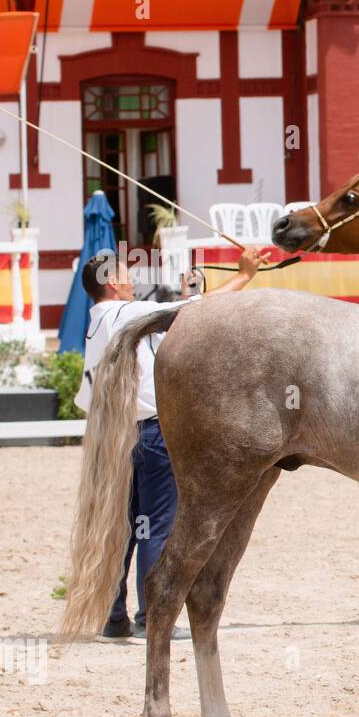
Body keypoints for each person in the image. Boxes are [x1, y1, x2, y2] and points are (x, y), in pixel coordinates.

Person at [76, 246, 269, 642]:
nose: (131, 280)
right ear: (112, 283)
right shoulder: (122, 313)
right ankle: (151, 616)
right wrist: (244, 275)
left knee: (121, 526)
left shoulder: (97, 321)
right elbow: (196, 311)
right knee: (157, 525)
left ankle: (114, 618)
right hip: (147, 432)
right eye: (126, 275)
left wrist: (186, 291)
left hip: (110, 435)